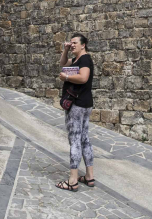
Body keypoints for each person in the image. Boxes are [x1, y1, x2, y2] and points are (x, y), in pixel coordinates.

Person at [56, 32, 95, 192]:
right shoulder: (77, 60)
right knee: (84, 139)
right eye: (70, 42)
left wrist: (66, 78)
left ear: (83, 45)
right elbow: (63, 64)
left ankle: (72, 180)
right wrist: (65, 50)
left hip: (77, 104)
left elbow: (83, 77)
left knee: (75, 139)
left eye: (75, 43)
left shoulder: (84, 59)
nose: (72, 45)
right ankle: (89, 176)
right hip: (85, 103)